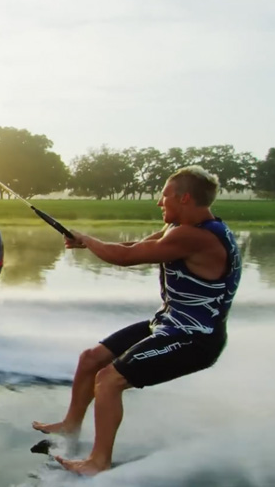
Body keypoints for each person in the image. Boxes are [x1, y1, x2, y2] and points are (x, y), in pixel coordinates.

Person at [32, 165, 242, 476]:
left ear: (184, 198)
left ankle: (98, 463)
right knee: (91, 359)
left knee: (109, 380)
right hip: (169, 323)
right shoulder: (183, 228)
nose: (159, 202)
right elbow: (135, 248)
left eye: (164, 196)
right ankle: (71, 425)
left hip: (195, 339)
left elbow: (124, 259)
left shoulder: (195, 236)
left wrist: (87, 239)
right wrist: (88, 242)